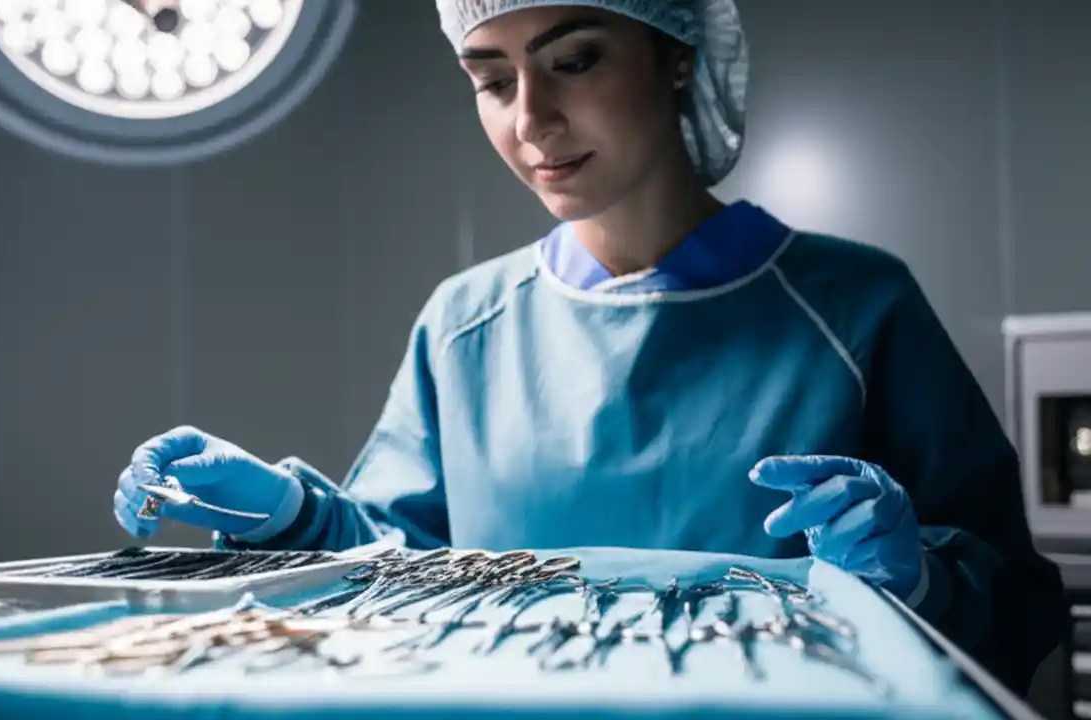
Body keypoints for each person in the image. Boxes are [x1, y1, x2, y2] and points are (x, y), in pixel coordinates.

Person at [112, 0, 1067, 692]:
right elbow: (399, 575)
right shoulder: (466, 322)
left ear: (678, 54)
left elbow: (1020, 608)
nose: (529, 118)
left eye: (573, 61)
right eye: (490, 79)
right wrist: (291, 514)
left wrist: (914, 575)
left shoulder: (853, 305)